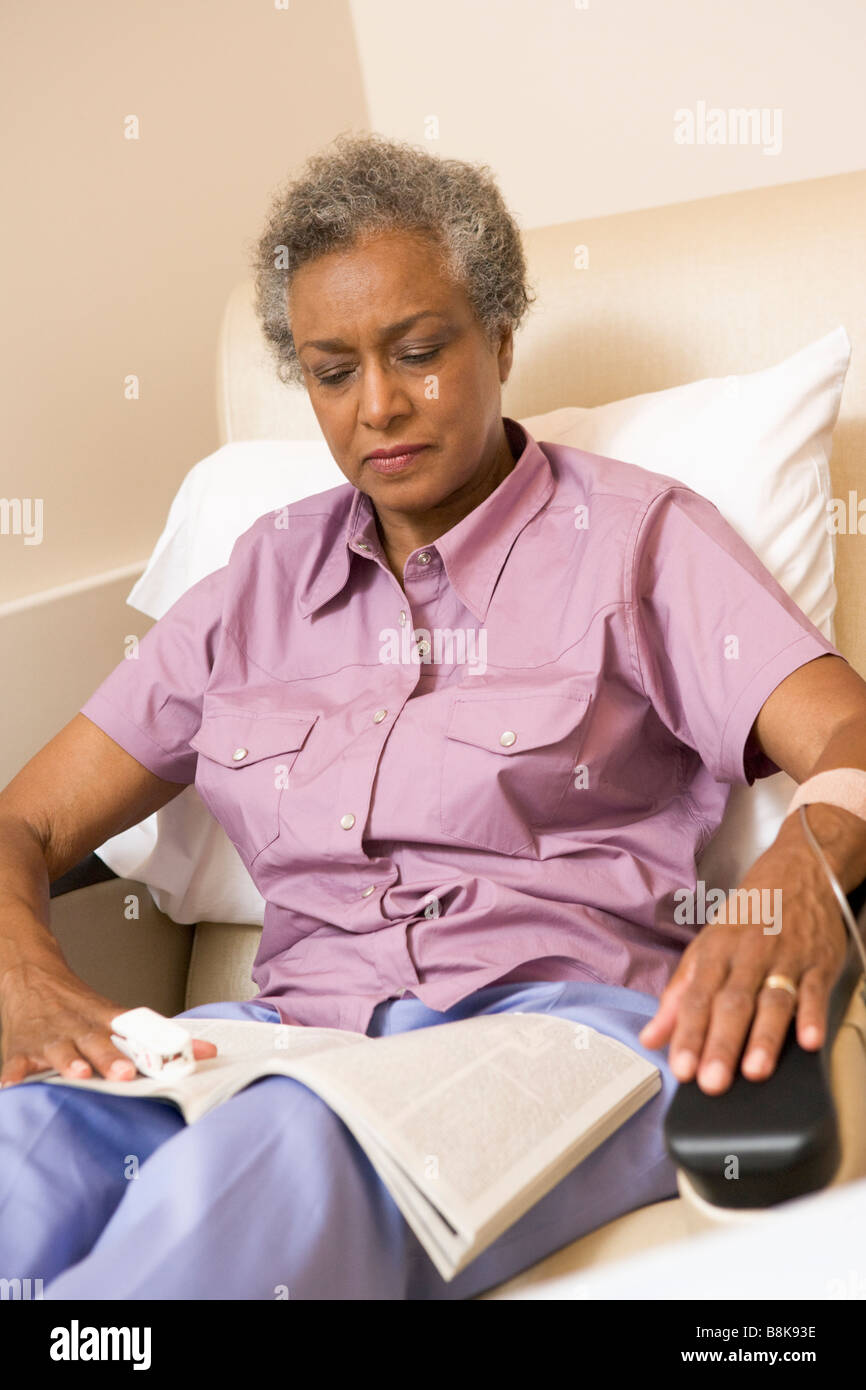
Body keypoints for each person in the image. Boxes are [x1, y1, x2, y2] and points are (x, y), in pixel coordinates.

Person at [2, 131, 866, 1301]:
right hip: (283, 1040)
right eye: (330, 370)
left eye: (417, 352)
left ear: (499, 333)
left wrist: (801, 874)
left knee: (276, 1161)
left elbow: (847, 740)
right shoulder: (257, 585)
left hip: (556, 1035)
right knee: (25, 1155)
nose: (380, 407)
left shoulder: (638, 542)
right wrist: (23, 972)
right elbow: (29, 823)